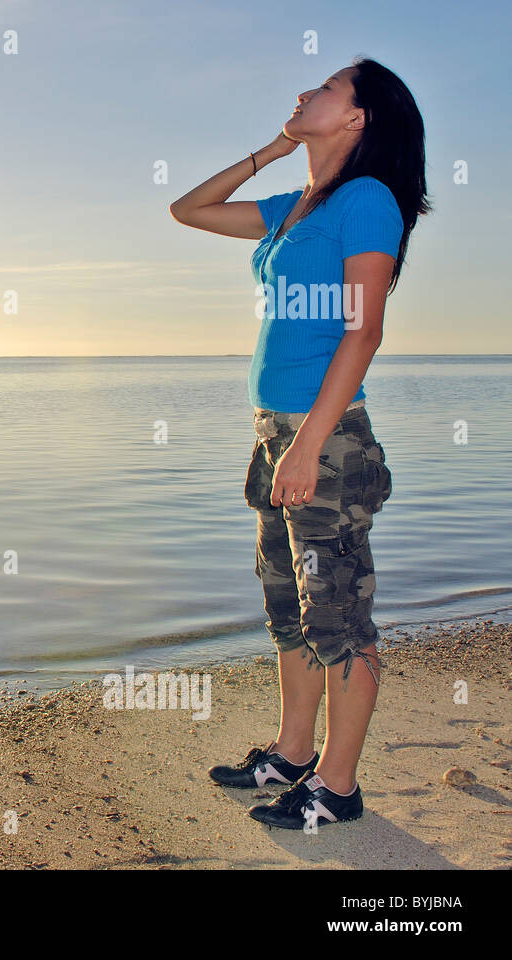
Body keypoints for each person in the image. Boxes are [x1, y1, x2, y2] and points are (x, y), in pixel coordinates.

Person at [169, 57, 429, 829]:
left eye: (327, 89)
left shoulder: (368, 202)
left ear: (357, 118)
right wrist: (275, 150)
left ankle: (338, 790)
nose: (303, 93)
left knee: (338, 618)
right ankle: (291, 752)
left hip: (327, 440)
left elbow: (365, 329)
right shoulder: (293, 205)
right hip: (275, 435)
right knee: (288, 605)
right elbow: (188, 209)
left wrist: (311, 443)